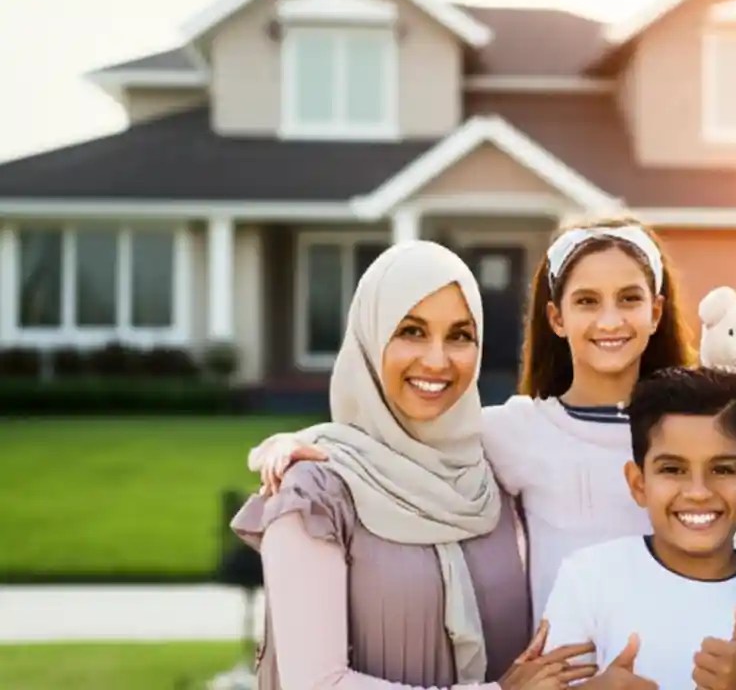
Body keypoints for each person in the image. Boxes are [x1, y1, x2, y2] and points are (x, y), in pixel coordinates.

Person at [249, 216, 698, 622]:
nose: (610, 320)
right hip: (565, 673)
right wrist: (300, 442)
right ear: (557, 318)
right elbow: (400, 442)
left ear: (655, 312)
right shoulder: (518, 430)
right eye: (587, 301)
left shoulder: (692, 431)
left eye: (629, 299)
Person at [231, 241, 595, 689]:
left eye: (459, 336)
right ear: (370, 337)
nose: (437, 361)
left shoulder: (495, 472)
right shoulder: (315, 495)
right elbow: (316, 684)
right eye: (411, 331)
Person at [542, 367, 736, 690]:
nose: (698, 492)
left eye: (722, 470)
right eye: (672, 469)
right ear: (638, 484)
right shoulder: (587, 579)